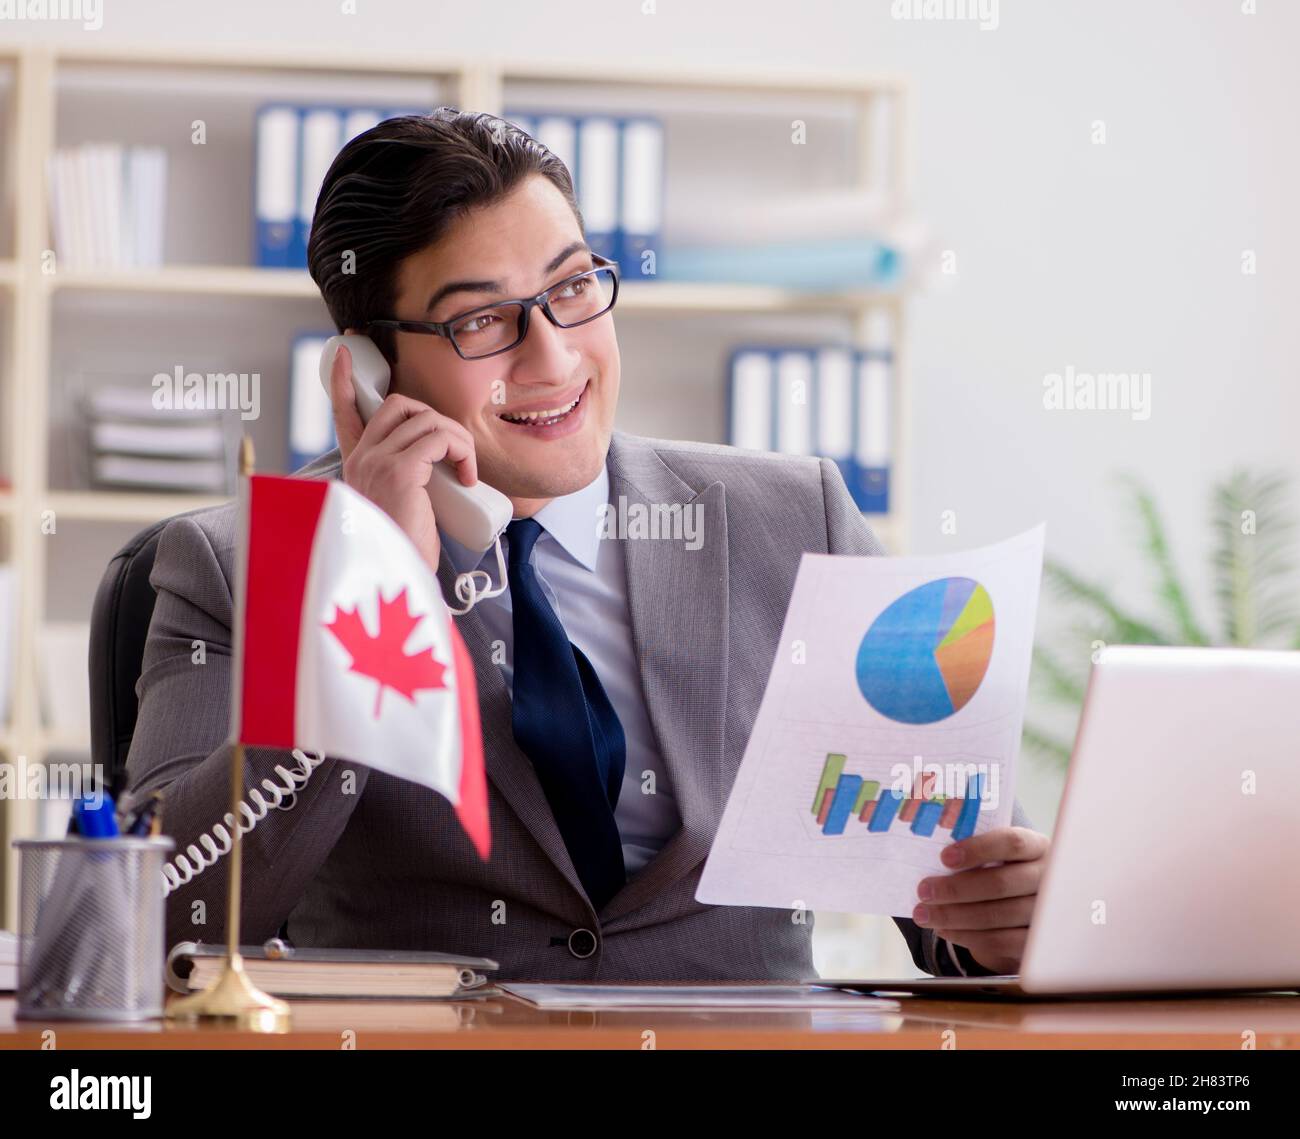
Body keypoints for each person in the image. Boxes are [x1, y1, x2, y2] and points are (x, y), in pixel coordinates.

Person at [126, 108, 1049, 980]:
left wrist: (1014, 914)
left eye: (571, 288)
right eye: (481, 319)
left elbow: (953, 901)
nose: (555, 358)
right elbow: (155, 921)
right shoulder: (242, 565)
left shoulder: (793, 520)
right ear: (371, 367)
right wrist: (372, 604)